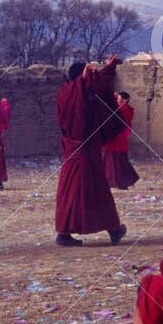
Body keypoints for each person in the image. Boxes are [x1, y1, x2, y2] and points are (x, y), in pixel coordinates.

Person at [54, 57, 127, 246]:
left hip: (73, 152)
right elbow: (97, 86)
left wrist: (108, 67)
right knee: (97, 192)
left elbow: (97, 84)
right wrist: (108, 68)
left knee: (70, 193)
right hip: (85, 153)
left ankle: (64, 233)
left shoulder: (66, 92)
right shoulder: (76, 93)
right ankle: (114, 230)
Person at [103, 90, 140, 188]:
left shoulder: (125, 109)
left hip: (118, 138)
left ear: (124, 100)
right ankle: (115, 182)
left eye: (119, 99)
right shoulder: (121, 107)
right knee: (114, 161)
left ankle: (120, 182)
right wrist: (114, 95)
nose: (117, 101)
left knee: (118, 161)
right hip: (115, 138)